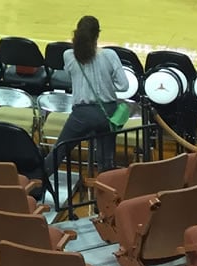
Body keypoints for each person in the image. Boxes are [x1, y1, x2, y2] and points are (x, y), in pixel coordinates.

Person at [42, 15, 133, 188]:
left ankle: (37, 183)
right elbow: (123, 85)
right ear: (98, 35)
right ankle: (107, 195)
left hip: (82, 114)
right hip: (107, 113)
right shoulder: (110, 55)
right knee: (106, 160)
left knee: (60, 150)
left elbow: (71, 75)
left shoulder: (69, 55)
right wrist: (106, 83)